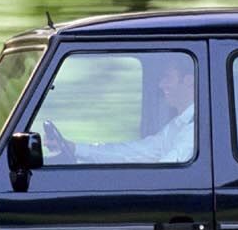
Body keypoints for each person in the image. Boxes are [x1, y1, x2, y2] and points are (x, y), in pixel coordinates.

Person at [42, 59, 194, 164]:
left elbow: (167, 173)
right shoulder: (177, 125)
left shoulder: (194, 130)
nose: (161, 84)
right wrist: (74, 148)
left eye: (168, 77)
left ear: (188, 81)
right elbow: (135, 152)